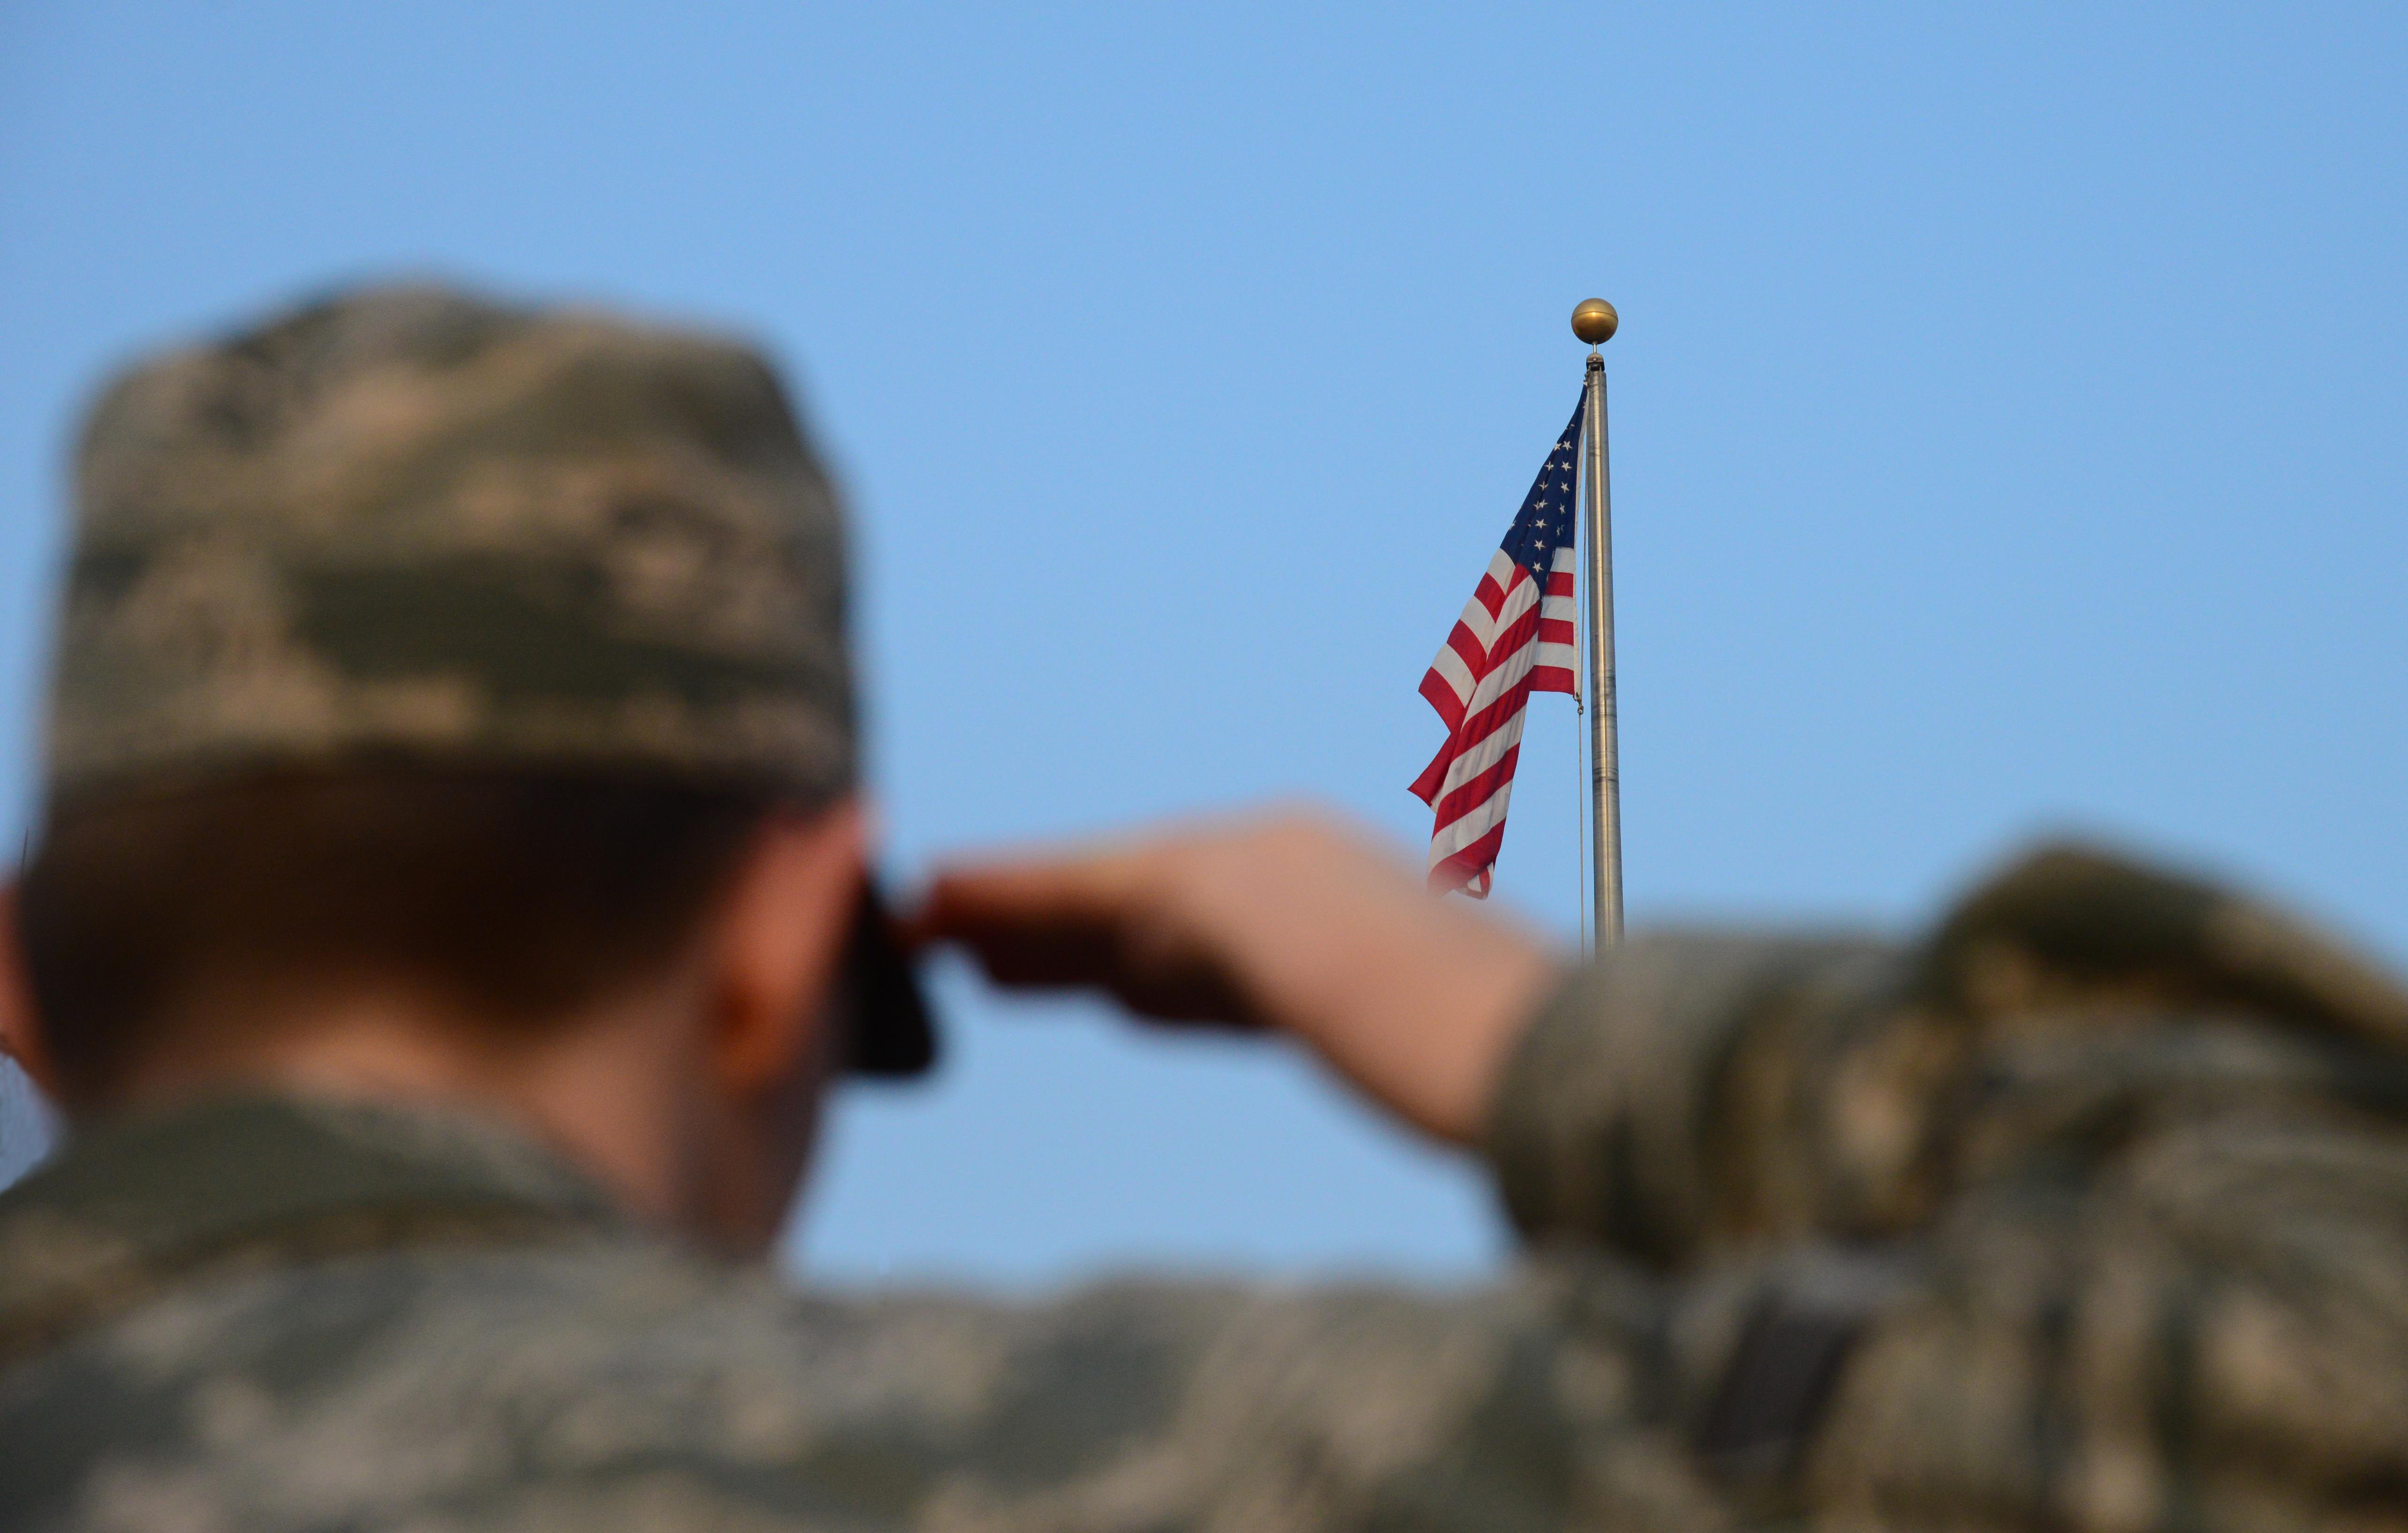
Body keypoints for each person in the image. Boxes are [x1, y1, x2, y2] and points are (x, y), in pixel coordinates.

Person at [2, 283, 2405, 1533]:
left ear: (34, 966)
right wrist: (1513, 1026)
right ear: (779, 942)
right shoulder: (1072, 1464)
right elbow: (2336, 1352)